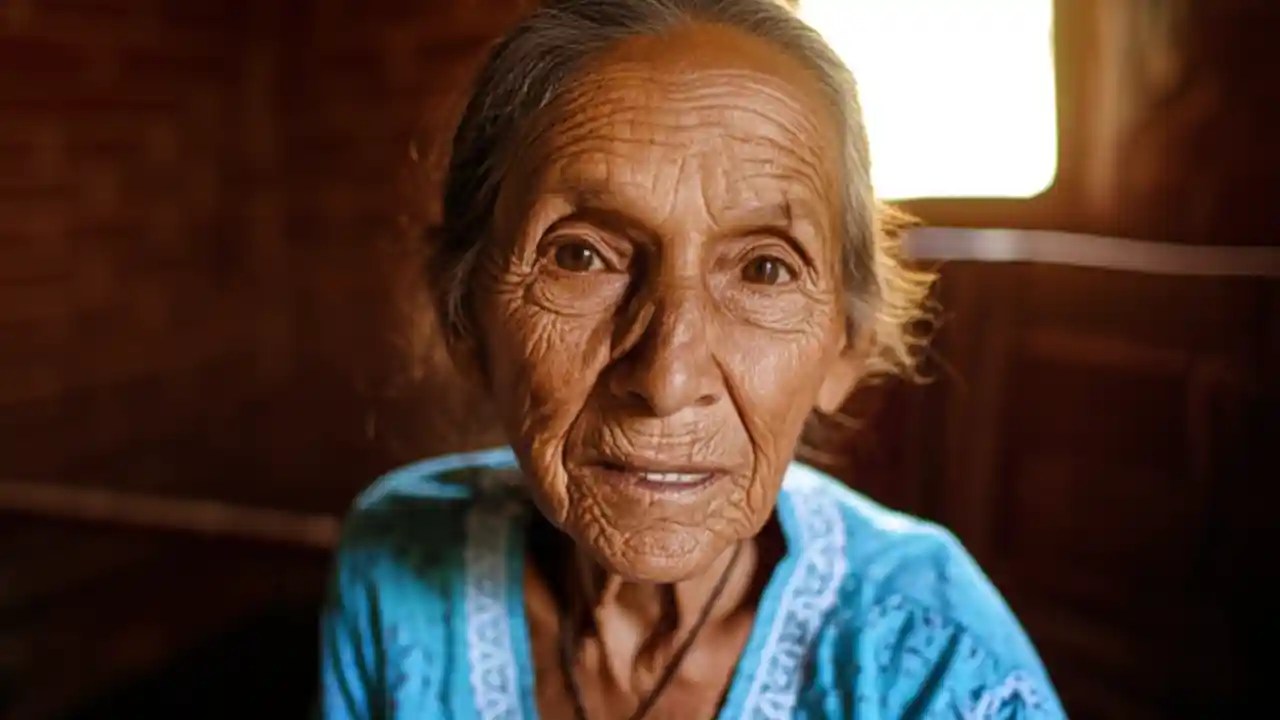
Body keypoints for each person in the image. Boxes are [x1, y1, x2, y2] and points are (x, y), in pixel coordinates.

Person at [320, 1, 1066, 717]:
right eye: (580, 256)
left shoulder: (935, 655)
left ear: (848, 344)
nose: (667, 380)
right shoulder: (393, 566)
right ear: (466, 322)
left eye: (765, 269)